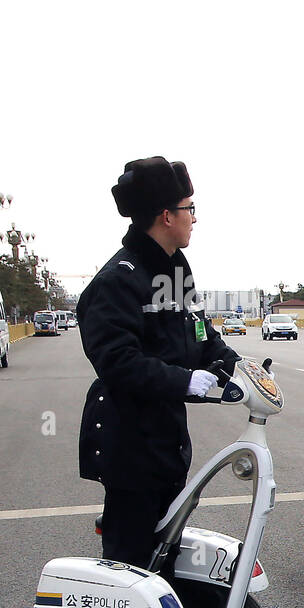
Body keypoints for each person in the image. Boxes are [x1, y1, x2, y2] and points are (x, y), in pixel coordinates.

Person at [78, 156, 239, 568]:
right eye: (189, 208)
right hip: (129, 442)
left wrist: (236, 365)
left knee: (165, 551)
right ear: (166, 216)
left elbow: (199, 331)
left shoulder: (175, 270)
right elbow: (117, 360)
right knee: (131, 560)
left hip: (166, 439)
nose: (194, 218)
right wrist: (183, 381)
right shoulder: (118, 280)